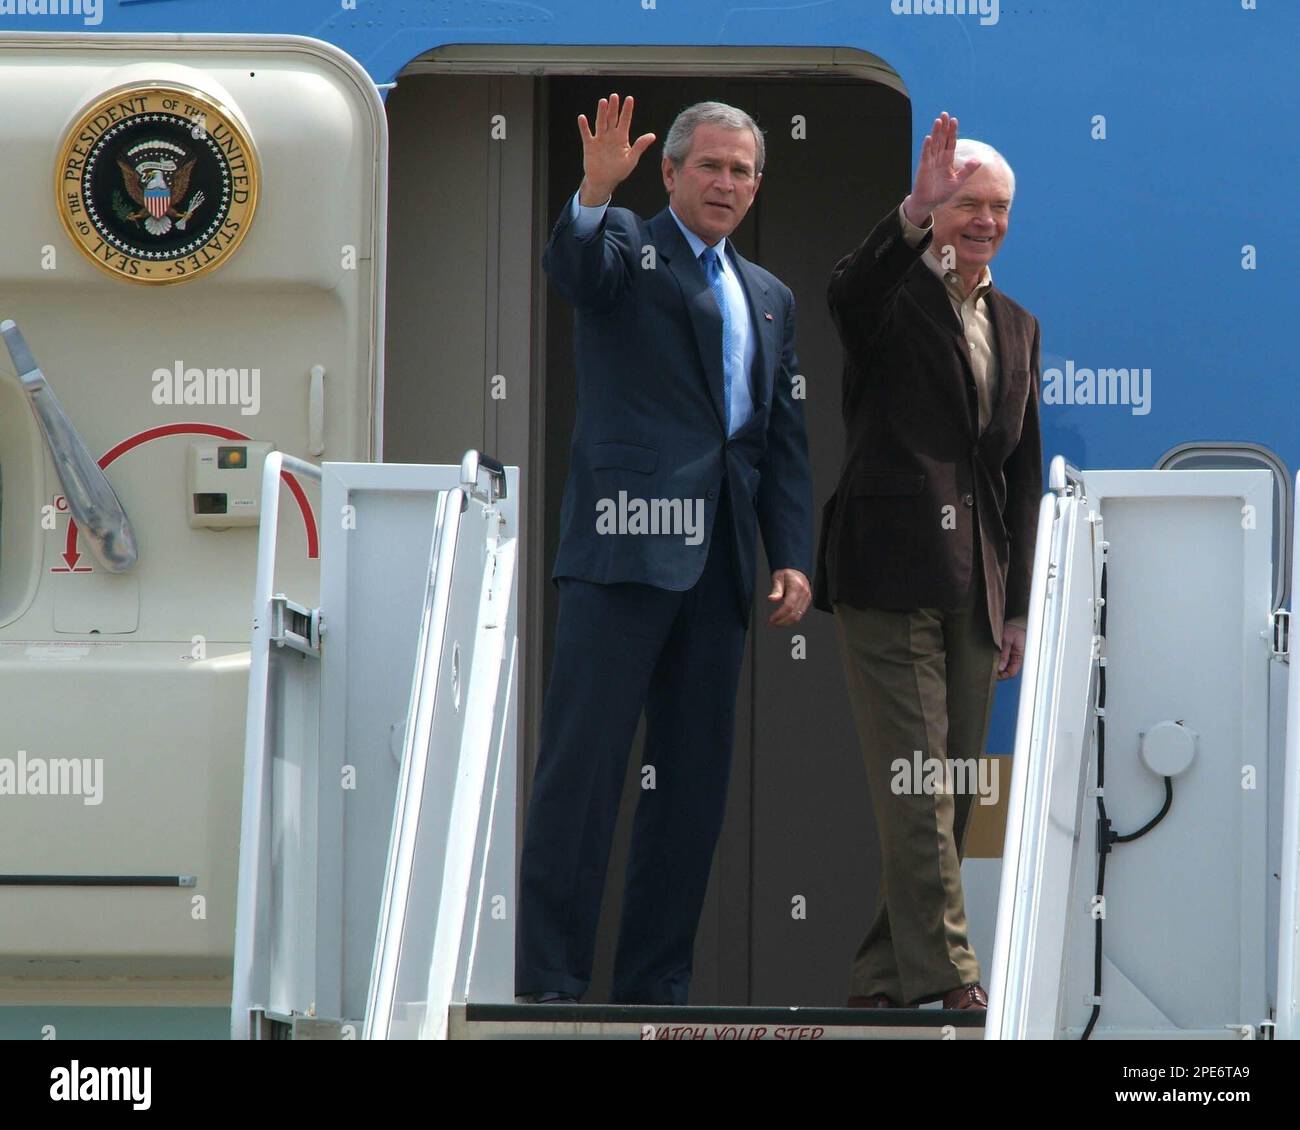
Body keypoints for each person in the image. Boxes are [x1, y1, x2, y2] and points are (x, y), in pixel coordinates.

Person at [516, 95, 814, 1005]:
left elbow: (778, 439)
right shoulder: (625, 252)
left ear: (758, 185)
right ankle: (551, 987)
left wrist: (790, 553)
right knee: (586, 774)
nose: (727, 183)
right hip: (622, 554)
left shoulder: (770, 297)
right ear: (672, 172)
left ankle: (655, 987)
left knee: (689, 792)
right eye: (710, 166)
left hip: (719, 567)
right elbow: (575, 267)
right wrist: (593, 193)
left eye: (742, 170)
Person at [814, 113, 1042, 1011]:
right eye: (965, 204)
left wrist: (1016, 604)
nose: (982, 220)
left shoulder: (1020, 324)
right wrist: (912, 210)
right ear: (938, 211)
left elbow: (1019, 475)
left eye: (998, 208)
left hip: (977, 588)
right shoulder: (894, 294)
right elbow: (848, 293)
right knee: (916, 782)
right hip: (889, 572)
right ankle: (951, 974)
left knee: (946, 791)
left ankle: (879, 975)